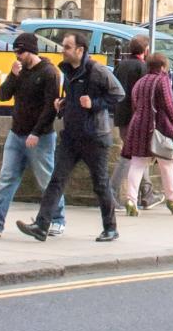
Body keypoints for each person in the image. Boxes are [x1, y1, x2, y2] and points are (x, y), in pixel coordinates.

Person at [16, 32, 125, 242]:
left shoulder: (97, 71)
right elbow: (73, 99)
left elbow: (118, 94)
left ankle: (110, 228)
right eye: (63, 46)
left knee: (100, 183)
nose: (62, 50)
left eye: (67, 47)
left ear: (79, 50)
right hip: (71, 136)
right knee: (56, 180)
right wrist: (63, 104)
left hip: (94, 137)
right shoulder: (68, 72)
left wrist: (94, 103)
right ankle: (41, 225)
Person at [0, 33, 61, 239]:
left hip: (40, 137)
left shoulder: (49, 73)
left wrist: (36, 132)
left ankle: (57, 219)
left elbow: (50, 108)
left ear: (32, 50)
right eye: (15, 52)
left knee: (46, 179)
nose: (17, 56)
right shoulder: (19, 71)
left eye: (21, 52)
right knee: (6, 178)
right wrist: (12, 76)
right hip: (16, 133)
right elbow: (3, 95)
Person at [119, 53, 173, 216]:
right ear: (163, 66)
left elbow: (135, 103)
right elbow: (169, 106)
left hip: (138, 125)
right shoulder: (162, 80)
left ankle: (131, 199)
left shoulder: (141, 82)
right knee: (167, 163)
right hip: (158, 127)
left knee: (137, 163)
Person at [110, 34, 154, 217]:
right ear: (145, 50)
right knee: (129, 156)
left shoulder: (121, 65)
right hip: (135, 118)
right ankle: (110, 193)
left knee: (138, 156)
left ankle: (147, 193)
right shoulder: (142, 67)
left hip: (121, 116)